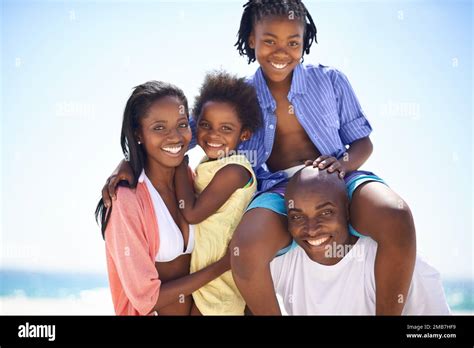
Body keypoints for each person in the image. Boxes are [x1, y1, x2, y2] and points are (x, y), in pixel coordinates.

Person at [101, 0, 416, 315]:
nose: (281, 51)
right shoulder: (242, 96)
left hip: (337, 174)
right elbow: (182, 135)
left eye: (293, 42)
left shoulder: (331, 81)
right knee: (246, 250)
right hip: (276, 188)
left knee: (396, 214)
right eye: (269, 41)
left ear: (305, 42)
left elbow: (363, 142)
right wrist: (129, 161)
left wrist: (345, 164)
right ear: (251, 40)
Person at [95, 81, 230, 315]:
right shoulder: (125, 200)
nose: (174, 137)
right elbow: (147, 298)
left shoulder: (190, 179)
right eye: (159, 128)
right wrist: (223, 266)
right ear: (138, 133)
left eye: (182, 124)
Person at [270, 166, 450, 315]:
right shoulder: (283, 264)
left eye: (326, 213)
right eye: (297, 217)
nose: (311, 229)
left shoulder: (404, 266)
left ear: (348, 211)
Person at [174, 71, 260, 315]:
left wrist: (179, 162)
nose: (213, 135)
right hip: (205, 273)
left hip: (223, 279)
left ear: (244, 134)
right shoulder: (210, 163)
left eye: (226, 128)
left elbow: (192, 213)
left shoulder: (235, 170)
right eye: (205, 125)